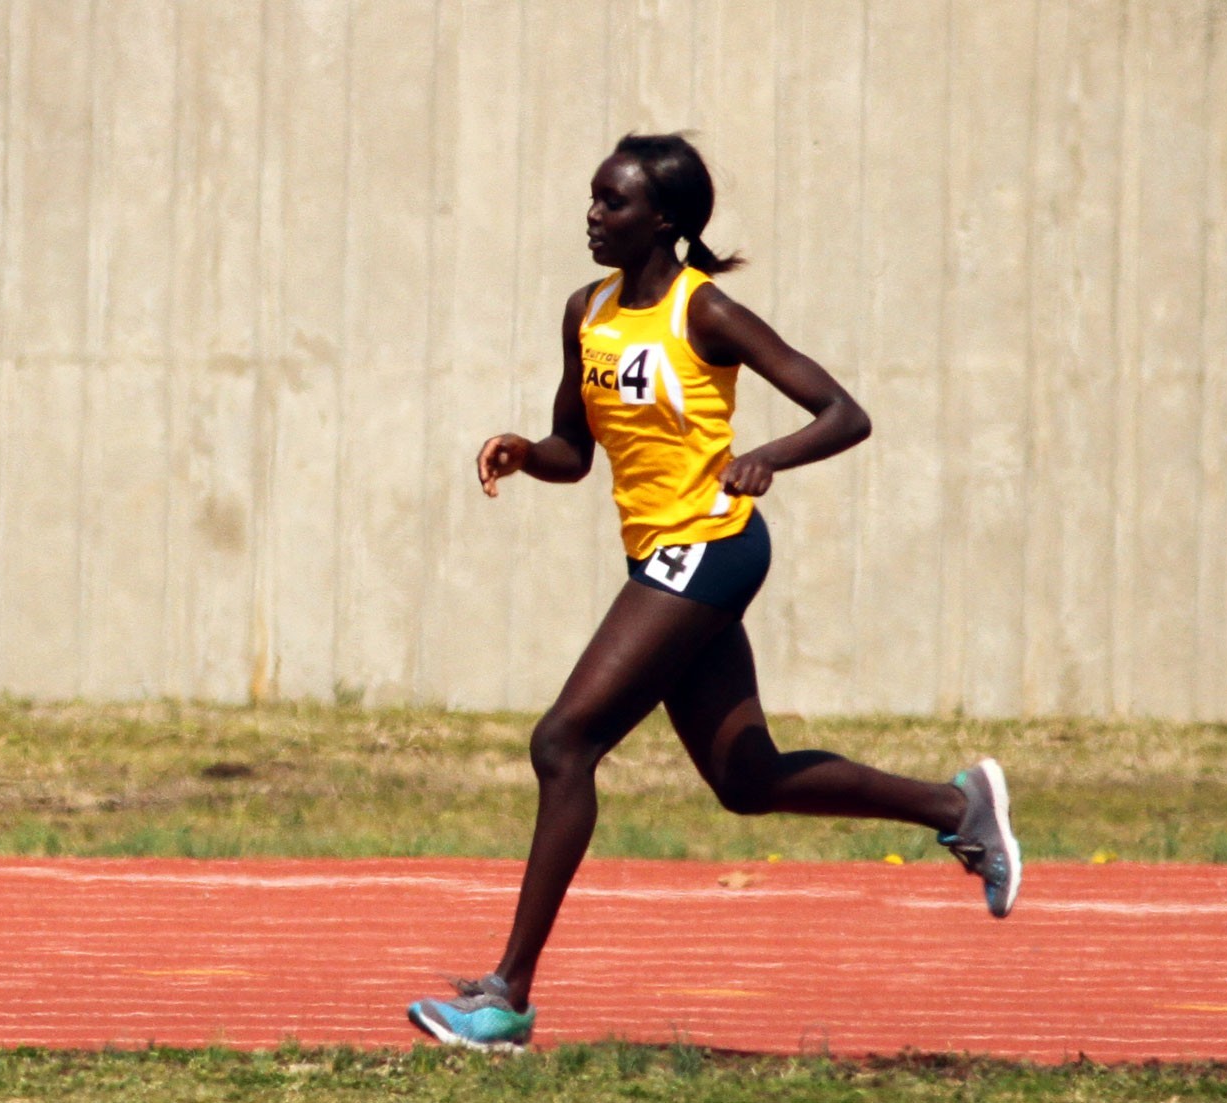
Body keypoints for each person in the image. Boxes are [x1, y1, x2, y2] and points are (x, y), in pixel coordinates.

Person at [408, 133, 1020, 1051]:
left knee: (563, 741)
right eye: (591, 198)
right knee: (745, 779)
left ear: (665, 219)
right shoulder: (587, 311)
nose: (592, 215)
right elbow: (577, 452)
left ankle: (506, 997)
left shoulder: (709, 313)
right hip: (657, 557)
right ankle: (955, 805)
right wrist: (529, 454)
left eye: (612, 203)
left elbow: (844, 412)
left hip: (712, 546)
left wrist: (766, 456)